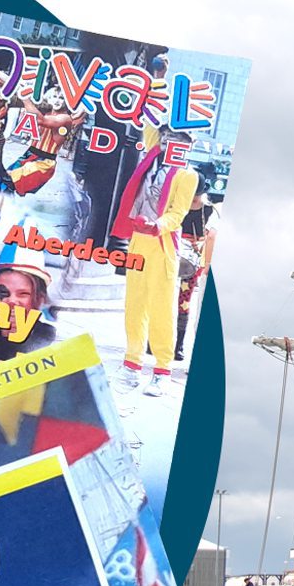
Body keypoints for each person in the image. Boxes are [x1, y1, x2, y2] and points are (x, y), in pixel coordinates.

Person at [110, 129, 200, 396]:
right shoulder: (152, 154)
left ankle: (162, 371)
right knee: (134, 305)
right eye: (168, 134)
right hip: (138, 241)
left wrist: (157, 225)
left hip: (163, 244)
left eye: (179, 138)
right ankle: (132, 365)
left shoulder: (188, 175)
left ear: (188, 145)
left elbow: (178, 213)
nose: (170, 140)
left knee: (161, 308)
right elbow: (149, 120)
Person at [0, 92, 86, 195]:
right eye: (54, 96)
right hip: (30, 154)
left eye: (61, 98)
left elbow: (41, 120)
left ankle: (4, 204)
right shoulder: (47, 112)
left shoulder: (65, 118)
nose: (56, 100)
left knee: (9, 180)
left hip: (44, 161)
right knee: (1, 182)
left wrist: (25, 98)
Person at [174, 187, 216, 362]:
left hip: (192, 261)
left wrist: (199, 244)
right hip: (172, 254)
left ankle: (179, 344)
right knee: (161, 297)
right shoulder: (178, 205)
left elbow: (210, 236)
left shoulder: (209, 211)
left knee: (184, 302)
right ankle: (153, 340)